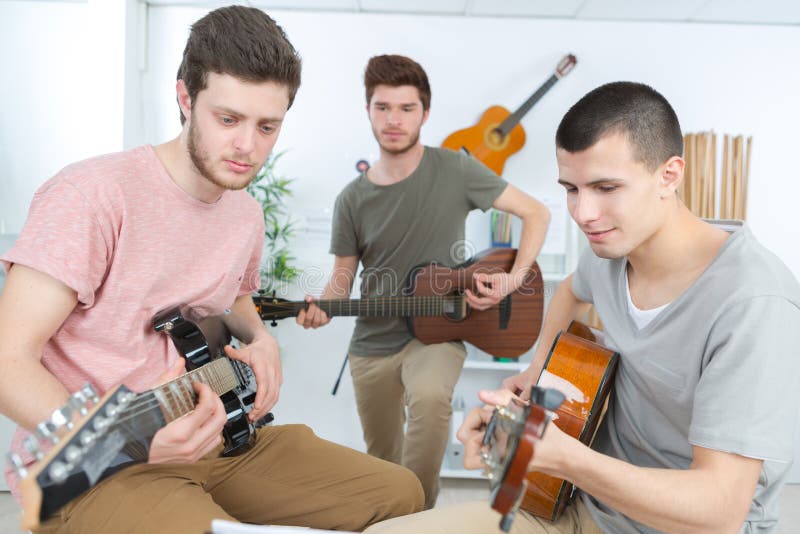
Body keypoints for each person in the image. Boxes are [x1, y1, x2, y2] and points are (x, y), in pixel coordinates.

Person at [0, 7, 423, 533]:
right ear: (185, 99)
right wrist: (126, 440)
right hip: (94, 468)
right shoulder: (91, 195)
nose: (248, 146)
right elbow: (7, 361)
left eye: (267, 126)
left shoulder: (244, 212)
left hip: (218, 439)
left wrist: (260, 339)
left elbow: (231, 298)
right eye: (228, 120)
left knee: (401, 494)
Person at [363, 81, 800, 533]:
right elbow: (570, 292)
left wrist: (568, 459)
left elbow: (720, 510)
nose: (583, 213)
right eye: (571, 188)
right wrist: (535, 379)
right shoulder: (610, 251)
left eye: (606, 187)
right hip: (581, 507)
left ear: (669, 175)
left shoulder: (754, 304)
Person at [297, 54, 551, 510]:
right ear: (368, 111)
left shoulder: (455, 169)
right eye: (382, 107)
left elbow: (537, 212)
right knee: (382, 462)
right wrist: (322, 307)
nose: (393, 119)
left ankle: (418, 520)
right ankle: (391, 518)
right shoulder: (351, 199)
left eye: (406, 108)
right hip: (372, 343)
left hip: (438, 334)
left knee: (432, 401)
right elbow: (341, 280)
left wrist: (513, 280)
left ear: (425, 114)